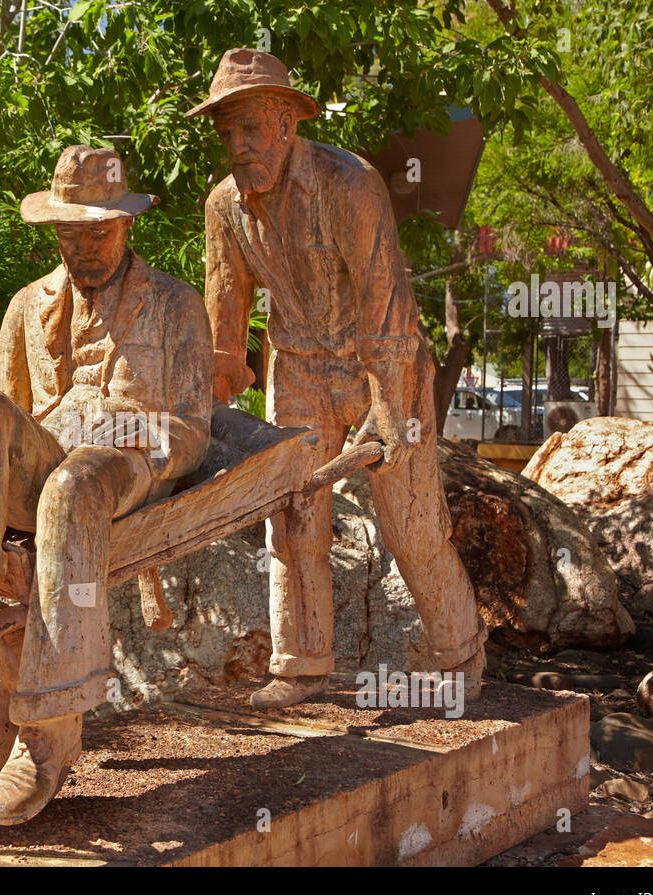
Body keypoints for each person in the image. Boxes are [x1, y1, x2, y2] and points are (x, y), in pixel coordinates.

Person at [0, 145, 213, 823]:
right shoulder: (26, 307)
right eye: (68, 234)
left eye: (97, 232)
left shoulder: (174, 304)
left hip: (126, 467)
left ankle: (46, 739)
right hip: (47, 460)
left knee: (72, 486)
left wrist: (128, 436)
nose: (82, 248)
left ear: (128, 226)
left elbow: (192, 430)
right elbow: (4, 415)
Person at [187, 49, 488, 710]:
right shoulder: (224, 208)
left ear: (288, 123)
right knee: (292, 518)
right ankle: (300, 667)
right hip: (295, 368)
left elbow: (390, 311)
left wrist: (388, 407)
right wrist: (203, 408)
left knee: (408, 518)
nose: (239, 146)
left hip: (384, 362)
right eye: (228, 132)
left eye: (251, 129)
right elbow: (225, 323)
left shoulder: (350, 183)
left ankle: (458, 656)